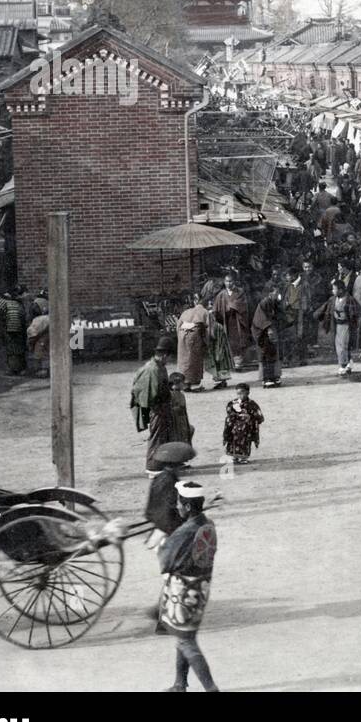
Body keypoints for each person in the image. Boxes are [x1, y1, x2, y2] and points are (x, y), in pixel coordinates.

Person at [159, 481, 220, 693]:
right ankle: (179, 683)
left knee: (186, 641)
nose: (177, 506)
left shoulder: (183, 532)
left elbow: (164, 560)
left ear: (185, 507)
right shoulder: (208, 524)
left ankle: (211, 689)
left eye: (179, 503)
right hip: (201, 588)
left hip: (182, 591)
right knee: (184, 636)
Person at [132, 338, 174, 475]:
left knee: (163, 436)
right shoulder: (152, 370)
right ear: (164, 355)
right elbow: (148, 396)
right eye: (169, 357)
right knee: (156, 437)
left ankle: (162, 462)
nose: (169, 360)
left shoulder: (160, 367)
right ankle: (153, 466)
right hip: (156, 408)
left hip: (162, 407)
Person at [317, 279, 361, 376]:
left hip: (346, 325)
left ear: (340, 290)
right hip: (336, 325)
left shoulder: (349, 299)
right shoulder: (333, 299)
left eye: (334, 289)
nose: (333, 291)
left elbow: (355, 312)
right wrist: (317, 314)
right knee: (338, 346)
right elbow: (324, 308)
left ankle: (343, 365)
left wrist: (354, 322)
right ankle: (348, 363)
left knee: (343, 345)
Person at [212, 274, 251, 371]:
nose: (229, 284)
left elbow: (243, 304)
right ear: (224, 282)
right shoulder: (221, 294)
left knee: (239, 341)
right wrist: (216, 313)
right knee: (228, 341)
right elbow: (216, 308)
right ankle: (231, 363)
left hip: (238, 320)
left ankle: (239, 363)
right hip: (226, 321)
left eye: (231, 281)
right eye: (227, 281)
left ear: (234, 282)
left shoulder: (240, 292)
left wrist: (231, 306)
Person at [221, 382, 263, 465]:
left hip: (247, 428)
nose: (240, 395)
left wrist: (249, 416)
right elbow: (229, 412)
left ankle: (243, 457)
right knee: (233, 441)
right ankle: (234, 457)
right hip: (234, 427)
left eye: (242, 393)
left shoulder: (252, 404)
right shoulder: (233, 403)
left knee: (245, 442)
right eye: (238, 393)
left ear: (248, 393)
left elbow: (259, 416)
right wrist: (237, 414)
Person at [176, 294, 209, 391]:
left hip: (182, 334)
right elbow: (209, 329)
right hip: (195, 334)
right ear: (206, 305)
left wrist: (180, 338)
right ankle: (193, 383)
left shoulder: (186, 311)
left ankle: (184, 382)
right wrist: (207, 342)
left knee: (184, 359)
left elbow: (178, 326)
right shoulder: (205, 312)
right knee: (194, 358)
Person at [203, 296, 234, 390]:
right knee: (218, 364)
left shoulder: (216, 326)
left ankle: (222, 381)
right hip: (215, 345)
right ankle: (220, 380)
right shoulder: (211, 326)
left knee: (221, 363)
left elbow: (218, 339)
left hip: (219, 346)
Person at [0, 288, 28, 375]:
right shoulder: (19, 303)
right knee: (20, 348)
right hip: (19, 328)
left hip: (9, 328)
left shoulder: (3, 302)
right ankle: (21, 368)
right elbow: (23, 315)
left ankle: (13, 369)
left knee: (11, 349)